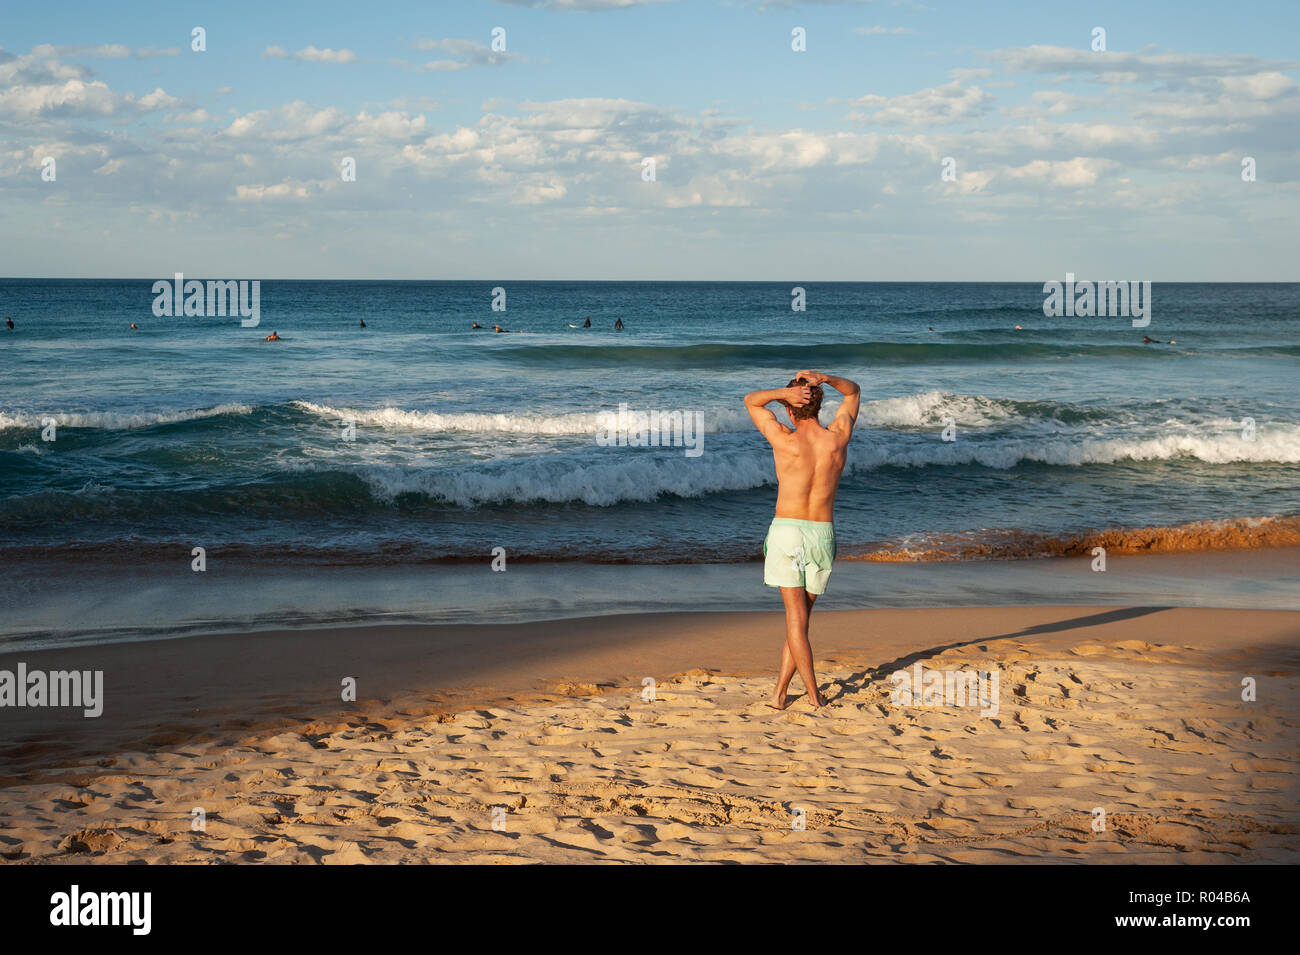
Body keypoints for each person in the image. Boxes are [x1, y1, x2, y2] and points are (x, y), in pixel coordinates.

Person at [744, 369, 860, 710]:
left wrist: (783, 392)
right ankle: (780, 694)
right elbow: (853, 392)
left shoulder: (783, 438)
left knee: (796, 622)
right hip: (822, 534)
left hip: (787, 531)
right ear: (820, 407)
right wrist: (826, 377)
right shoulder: (838, 437)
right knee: (801, 621)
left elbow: (750, 400)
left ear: (791, 409)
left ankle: (812, 696)